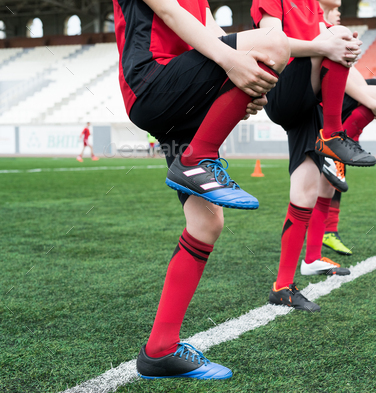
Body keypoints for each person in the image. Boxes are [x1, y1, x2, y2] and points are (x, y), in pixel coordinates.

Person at [113, 0, 290, 380]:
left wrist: (242, 83)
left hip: (184, 94)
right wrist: (232, 64)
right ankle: (198, 157)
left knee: (206, 223)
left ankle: (159, 351)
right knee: (273, 44)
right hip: (152, 82)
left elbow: (211, 32)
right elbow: (174, 16)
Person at [251, 0, 376, 312]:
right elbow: (271, 42)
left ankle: (283, 287)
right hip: (280, 86)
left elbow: (334, 47)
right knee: (338, 35)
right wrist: (329, 44)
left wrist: (371, 95)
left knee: (305, 190)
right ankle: (333, 134)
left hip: (306, 99)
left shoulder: (313, 8)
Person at [319, 0, 376, 255]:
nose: (340, 13)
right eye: (336, 10)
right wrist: (374, 104)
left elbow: (355, 79)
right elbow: (346, 81)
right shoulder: (321, 29)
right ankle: (343, 140)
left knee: (332, 177)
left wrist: (374, 103)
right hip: (317, 105)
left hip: (331, 107)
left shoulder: (331, 29)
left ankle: (330, 231)